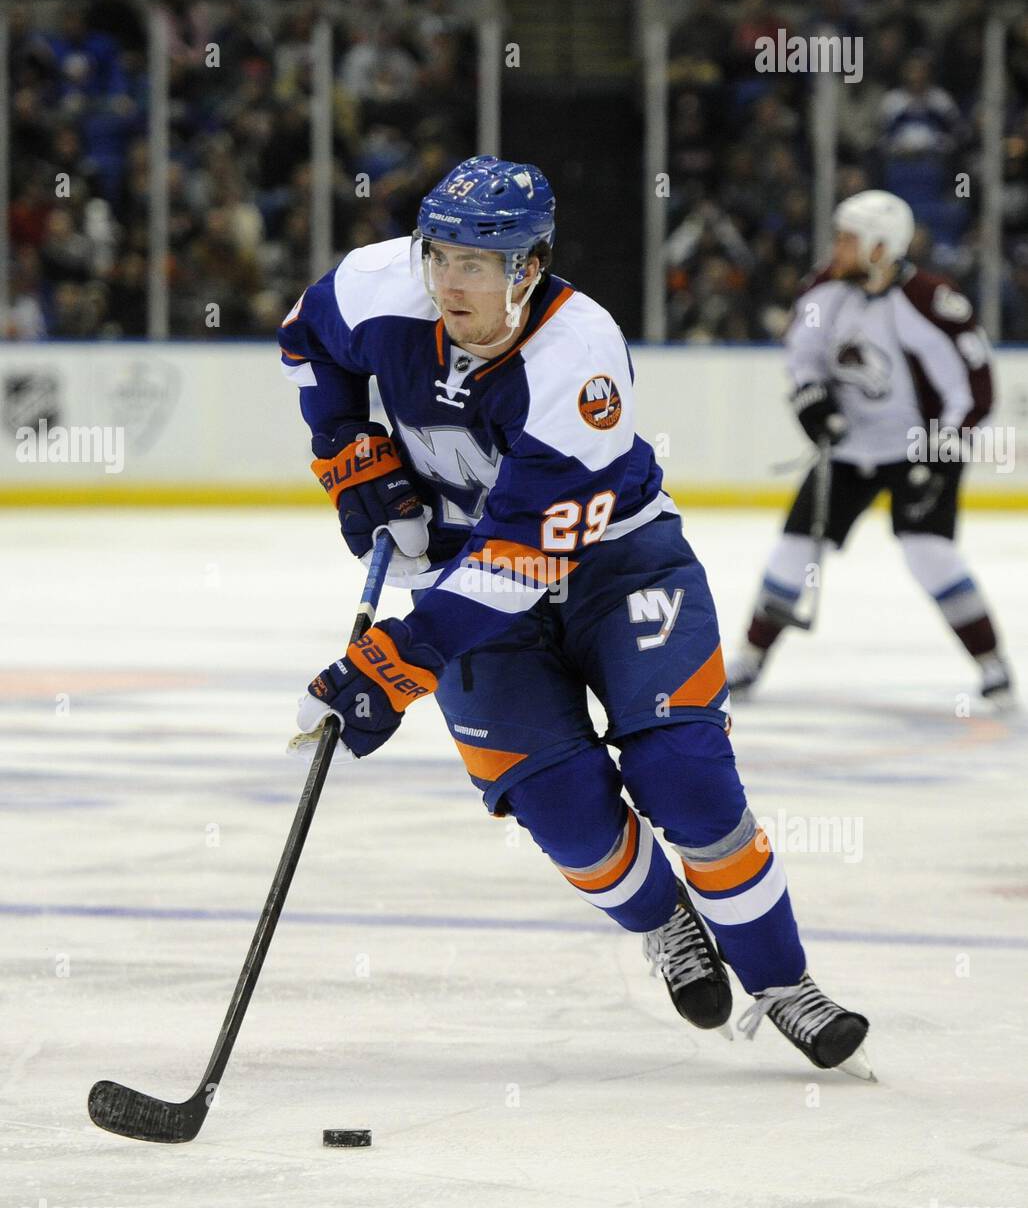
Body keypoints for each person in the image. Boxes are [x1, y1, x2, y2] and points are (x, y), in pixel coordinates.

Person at [279, 155, 871, 1076]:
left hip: (617, 565)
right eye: (439, 256)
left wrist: (399, 662)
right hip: (469, 582)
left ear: (531, 265)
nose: (449, 281)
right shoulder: (374, 285)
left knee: (684, 775)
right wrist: (348, 451)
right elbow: (306, 345)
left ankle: (782, 982)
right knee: (560, 805)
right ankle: (665, 920)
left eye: (479, 262)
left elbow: (524, 555)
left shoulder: (579, 356)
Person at [728, 189, 1014, 705]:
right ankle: (748, 662)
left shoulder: (931, 300)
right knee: (794, 550)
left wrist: (940, 455)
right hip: (848, 451)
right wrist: (812, 402)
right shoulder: (823, 291)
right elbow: (804, 359)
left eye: (847, 239)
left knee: (930, 553)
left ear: (881, 248)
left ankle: (994, 667)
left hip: (918, 451)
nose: (835, 248)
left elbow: (973, 392)